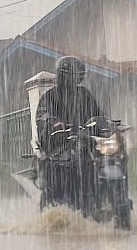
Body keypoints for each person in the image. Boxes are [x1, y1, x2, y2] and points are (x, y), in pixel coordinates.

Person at [34, 56, 104, 207]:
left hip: (86, 141)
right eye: (74, 75)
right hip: (61, 144)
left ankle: (109, 196)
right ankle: (56, 202)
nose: (77, 78)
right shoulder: (50, 96)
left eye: (79, 75)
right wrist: (53, 123)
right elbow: (42, 116)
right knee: (61, 168)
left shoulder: (85, 94)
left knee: (108, 158)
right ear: (63, 75)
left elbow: (98, 114)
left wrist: (106, 124)